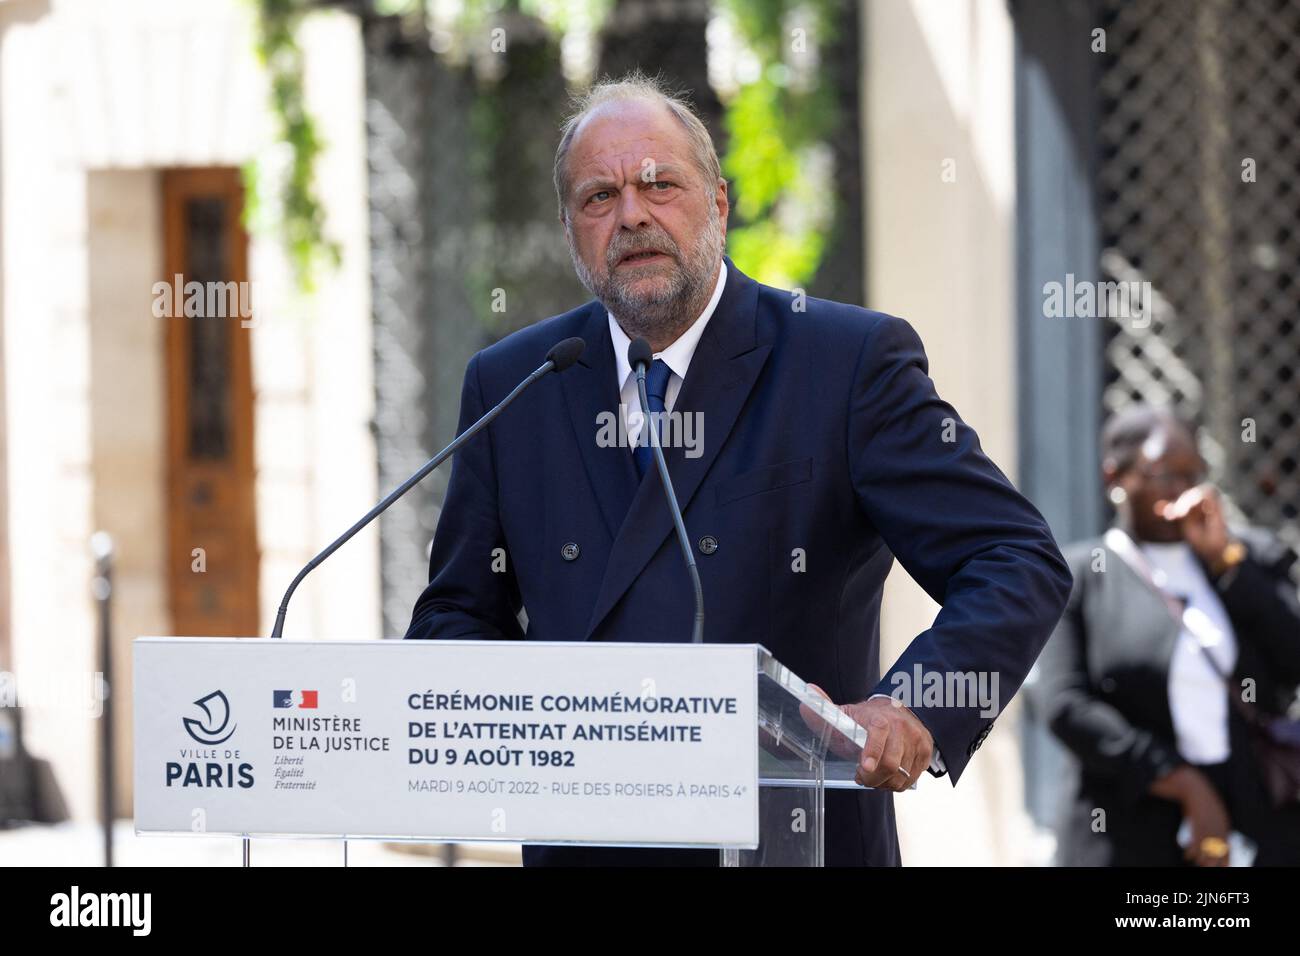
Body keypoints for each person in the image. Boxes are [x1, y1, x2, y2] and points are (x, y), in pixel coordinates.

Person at [404, 73, 1072, 866]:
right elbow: (456, 617)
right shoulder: (517, 381)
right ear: (568, 227)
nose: (633, 216)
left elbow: (1014, 558)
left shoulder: (844, 362)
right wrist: (548, 726)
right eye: (599, 197)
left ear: (718, 203)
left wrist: (911, 708)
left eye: (660, 184)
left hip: (792, 842)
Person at [1035, 405, 1300, 866]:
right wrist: (1182, 782)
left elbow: (1291, 660)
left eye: (1191, 474)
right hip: (1124, 830)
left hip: (1254, 824)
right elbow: (1064, 705)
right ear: (1115, 477)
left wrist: (1227, 565)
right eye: (1162, 474)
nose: (1180, 490)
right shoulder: (1081, 576)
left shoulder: (1245, 557)